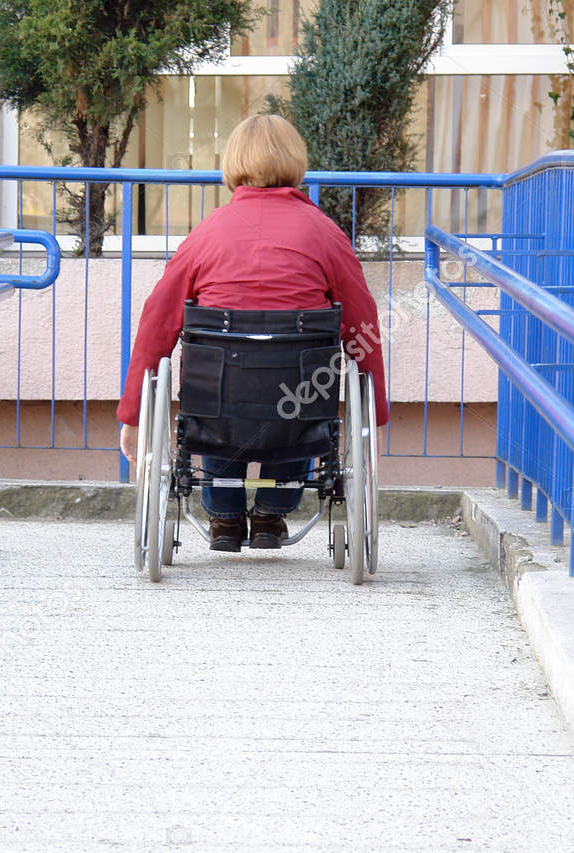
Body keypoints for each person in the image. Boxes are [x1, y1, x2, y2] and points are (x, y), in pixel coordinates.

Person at [117, 113, 389, 552]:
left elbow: (157, 325)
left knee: (218, 385)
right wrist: (373, 418)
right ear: (296, 162)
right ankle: (269, 515)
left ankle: (224, 519)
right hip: (299, 404)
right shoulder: (326, 234)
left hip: (220, 407)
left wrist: (133, 415)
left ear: (233, 163)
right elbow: (364, 324)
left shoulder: (205, 235)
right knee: (302, 382)